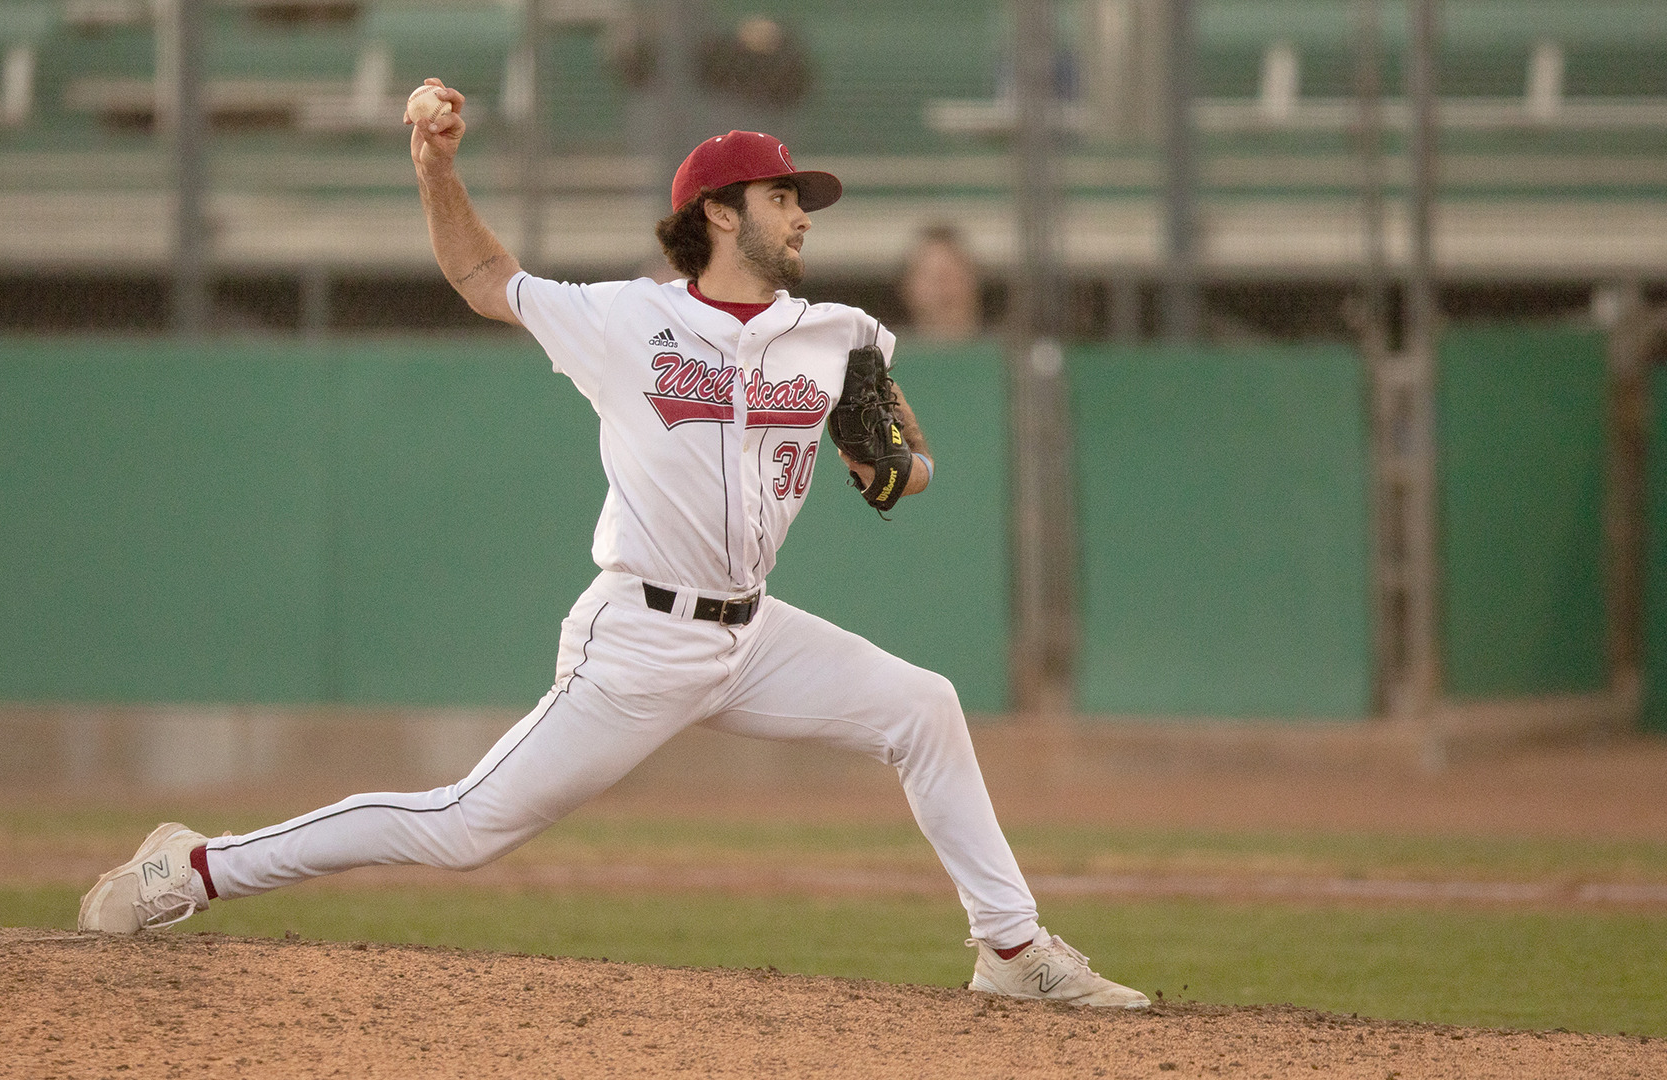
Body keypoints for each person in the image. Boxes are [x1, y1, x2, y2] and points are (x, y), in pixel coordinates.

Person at [78, 78, 1148, 1009]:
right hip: (638, 637)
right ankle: (195, 869)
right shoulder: (621, 320)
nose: (803, 216)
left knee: (924, 706)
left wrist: (897, 462)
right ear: (720, 212)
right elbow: (480, 274)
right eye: (784, 197)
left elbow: (904, 462)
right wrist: (435, 165)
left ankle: (1011, 949)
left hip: (751, 633)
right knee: (465, 827)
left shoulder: (842, 334)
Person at [898, 223, 984, 341]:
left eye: (952, 275)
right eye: (931, 277)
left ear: (972, 280)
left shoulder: (1011, 353)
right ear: (907, 288)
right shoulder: (887, 355)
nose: (941, 289)